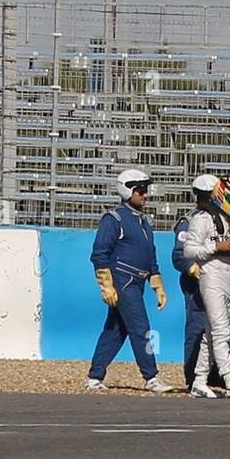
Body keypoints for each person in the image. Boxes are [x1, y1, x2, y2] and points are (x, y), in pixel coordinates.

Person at [86, 168, 171, 392]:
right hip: (123, 280)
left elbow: (150, 254)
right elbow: (99, 254)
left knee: (116, 330)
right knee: (141, 327)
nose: (146, 195)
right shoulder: (113, 218)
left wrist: (157, 284)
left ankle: (95, 376)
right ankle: (151, 377)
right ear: (127, 191)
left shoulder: (144, 221)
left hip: (138, 281)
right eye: (141, 191)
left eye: (146, 190)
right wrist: (106, 285)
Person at [179, 175, 230, 398]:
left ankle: (199, 380)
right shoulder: (201, 219)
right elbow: (189, 250)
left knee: (211, 333)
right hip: (210, 277)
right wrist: (215, 247)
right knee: (222, 330)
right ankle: (229, 377)